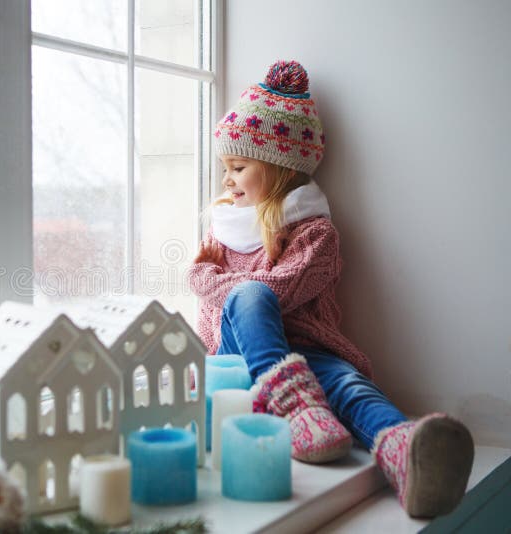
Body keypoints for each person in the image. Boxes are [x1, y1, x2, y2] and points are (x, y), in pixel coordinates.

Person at [187, 59, 474, 518]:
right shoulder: (222, 228)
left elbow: (281, 288)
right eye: (225, 167)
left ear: (278, 168)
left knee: (348, 384)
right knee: (250, 296)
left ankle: (406, 453)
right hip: (237, 360)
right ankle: (297, 409)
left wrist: (227, 282)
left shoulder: (315, 233)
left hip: (307, 352)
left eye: (238, 167)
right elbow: (205, 281)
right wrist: (234, 288)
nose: (226, 179)